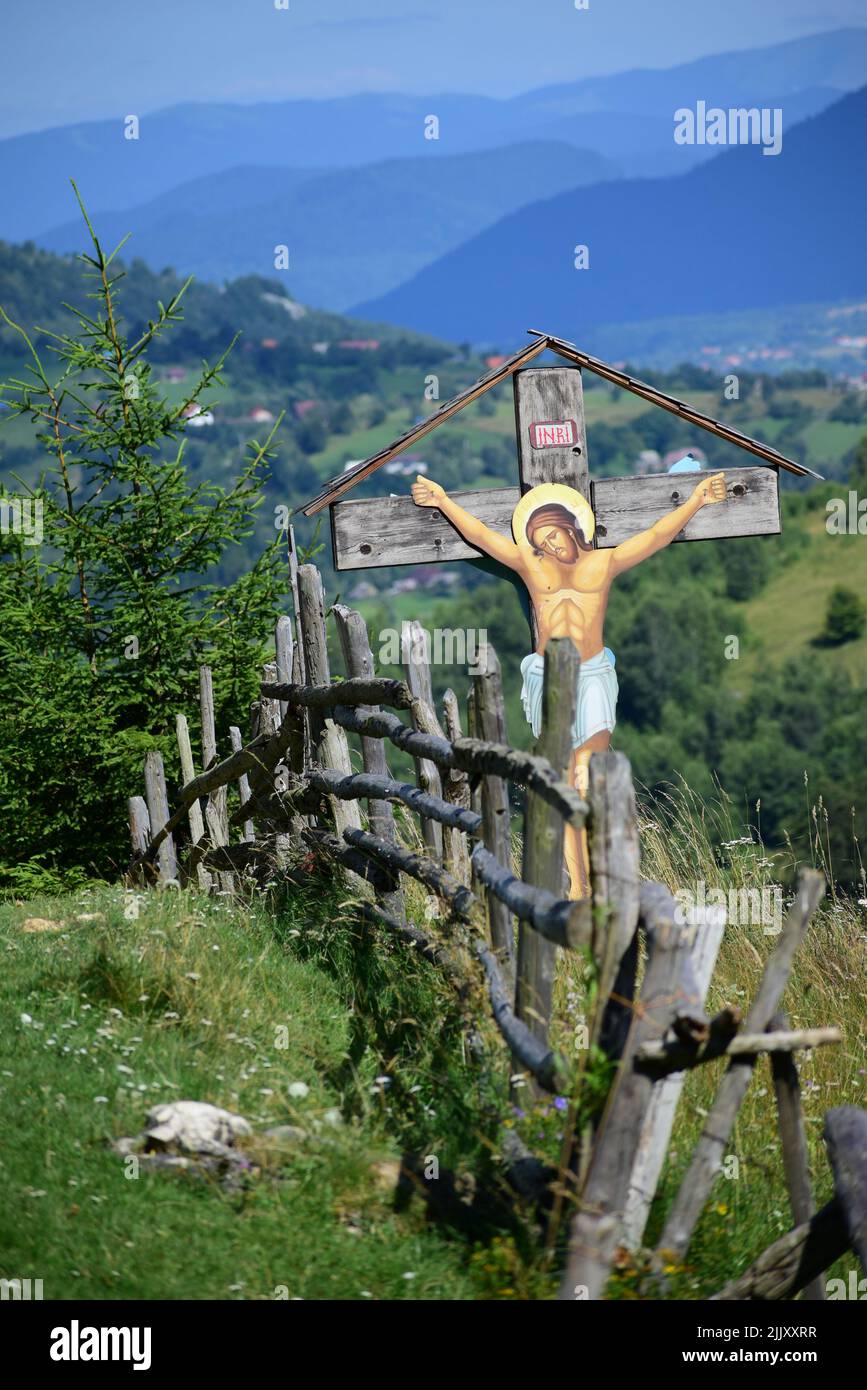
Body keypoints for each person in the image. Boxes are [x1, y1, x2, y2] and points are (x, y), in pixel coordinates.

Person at [411, 472, 727, 897]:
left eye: (553, 535)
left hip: (593, 675)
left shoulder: (604, 561)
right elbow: (484, 536)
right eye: (539, 540)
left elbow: (654, 536)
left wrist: (697, 500)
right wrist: (443, 499)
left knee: (586, 774)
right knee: (562, 779)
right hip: (547, 676)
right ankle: (576, 887)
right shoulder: (530, 564)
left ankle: (604, 877)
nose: (549, 546)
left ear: (571, 527)